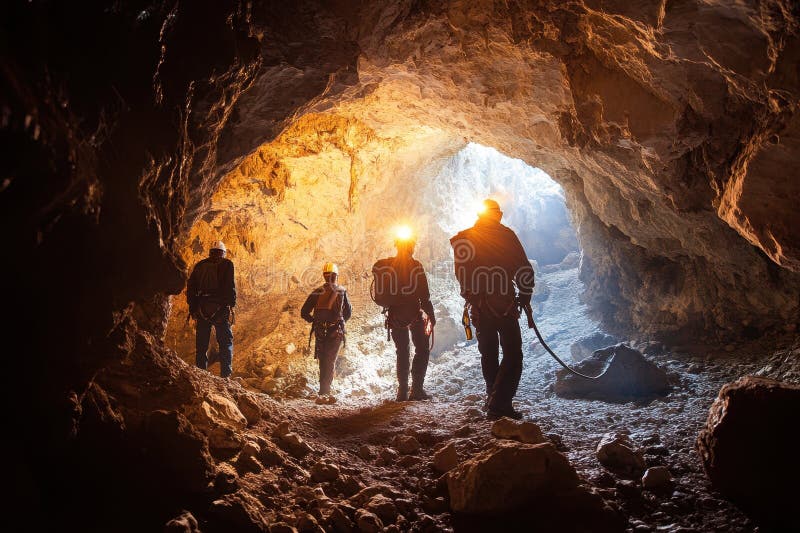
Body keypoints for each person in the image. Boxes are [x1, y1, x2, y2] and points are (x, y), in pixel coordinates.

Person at [450, 199, 534, 419]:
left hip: (479, 307)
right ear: (498, 215)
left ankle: (493, 399)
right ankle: (499, 403)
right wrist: (525, 296)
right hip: (504, 304)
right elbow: (524, 268)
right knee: (513, 354)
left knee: (489, 354)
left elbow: (461, 273)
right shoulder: (506, 236)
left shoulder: (465, 238)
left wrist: (472, 297)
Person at [373, 229, 436, 401]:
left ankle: (402, 392)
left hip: (395, 316)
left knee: (402, 351)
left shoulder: (387, 266)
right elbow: (424, 295)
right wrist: (431, 315)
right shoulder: (416, 266)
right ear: (412, 247)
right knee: (422, 350)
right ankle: (416, 390)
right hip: (414, 314)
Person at [301, 262, 352, 400]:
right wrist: (340, 322)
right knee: (330, 359)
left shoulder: (317, 292)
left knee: (323, 358)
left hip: (320, 329)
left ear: (324, 276)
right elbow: (348, 312)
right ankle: (325, 390)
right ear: (336, 275)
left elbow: (304, 312)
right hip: (336, 330)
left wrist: (313, 321)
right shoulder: (341, 291)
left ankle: (323, 390)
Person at [187, 240, 236, 378]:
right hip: (220, 309)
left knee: (201, 344)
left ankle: (201, 373)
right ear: (223, 253)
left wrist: (193, 308)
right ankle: (226, 376)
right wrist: (231, 305)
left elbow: (191, 288)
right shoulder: (227, 264)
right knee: (225, 342)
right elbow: (230, 286)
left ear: (210, 252)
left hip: (202, 308)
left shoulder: (200, 265)